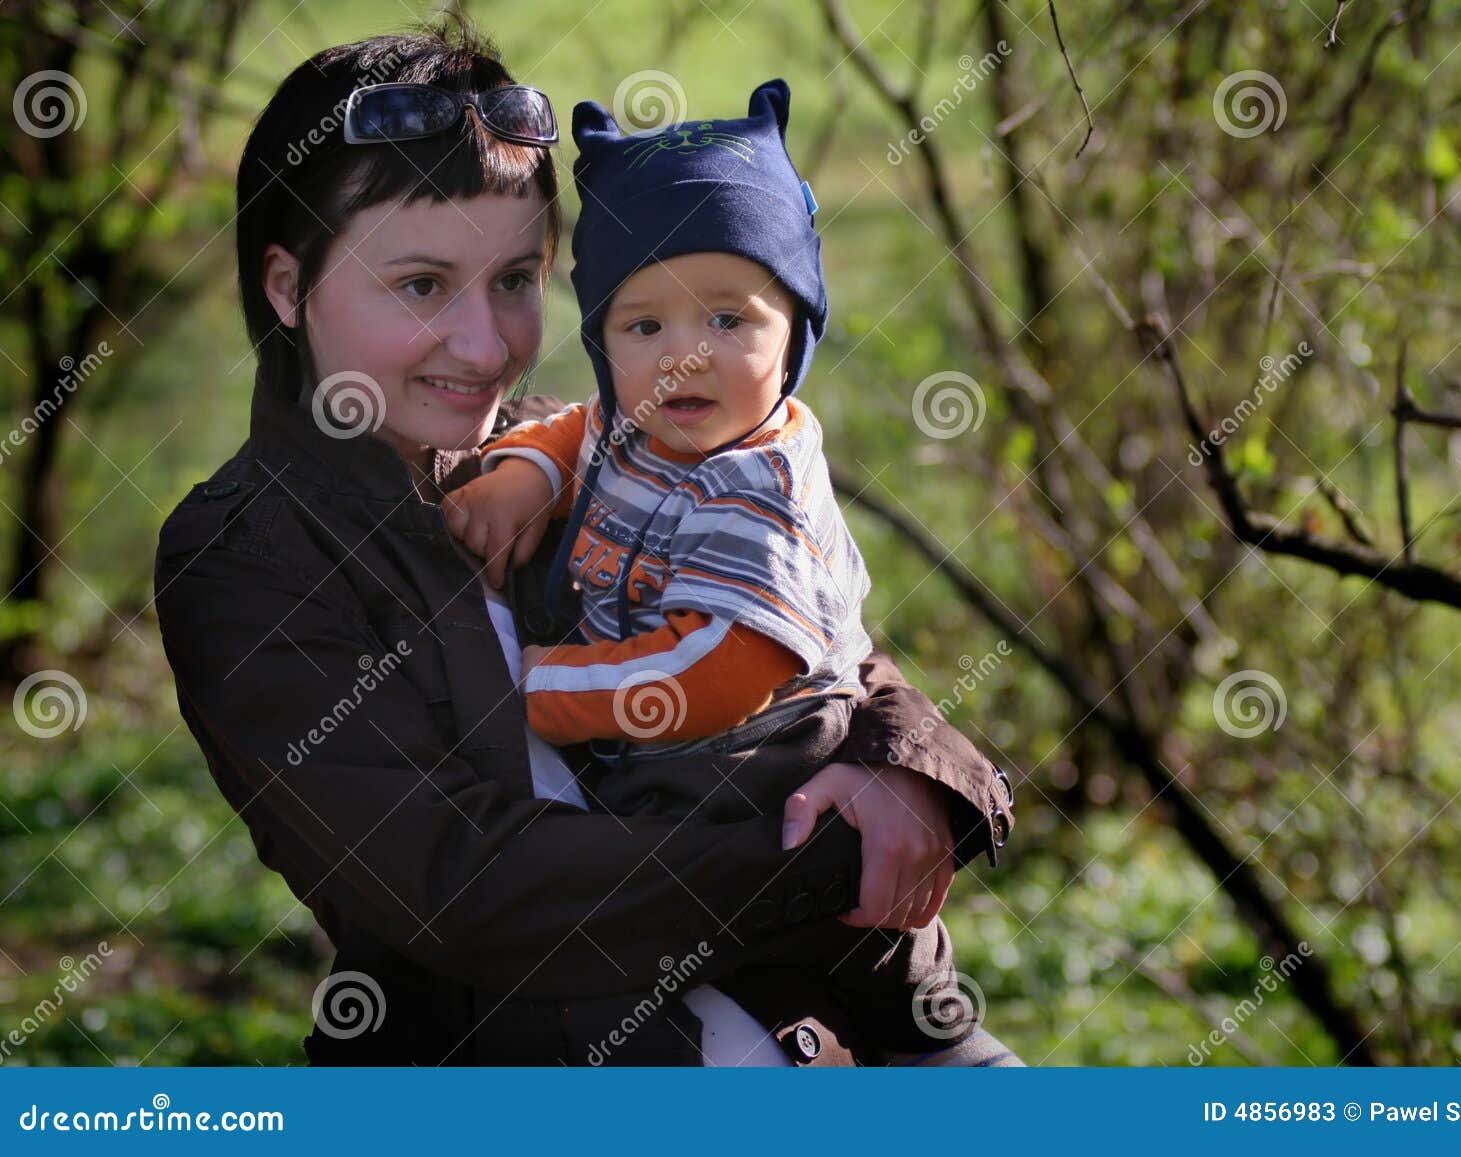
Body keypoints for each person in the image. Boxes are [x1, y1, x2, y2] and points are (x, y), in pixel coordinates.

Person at [152, 17, 1016, 1066]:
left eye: (515, 281)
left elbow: (809, 624)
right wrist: (831, 858)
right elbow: (472, 889)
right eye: (420, 284)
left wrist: (907, 769)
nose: (486, 347)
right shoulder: (246, 558)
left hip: (836, 1036)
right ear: (288, 286)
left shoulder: (573, 449)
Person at [443, 79, 1009, 1061]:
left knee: (880, 1000)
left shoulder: (759, 487)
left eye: (728, 320)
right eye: (643, 326)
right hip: (679, 779)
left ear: (795, 330)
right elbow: (582, 429)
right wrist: (523, 473)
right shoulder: (642, 420)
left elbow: (711, 673)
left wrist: (526, 687)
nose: (684, 360)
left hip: (767, 769)